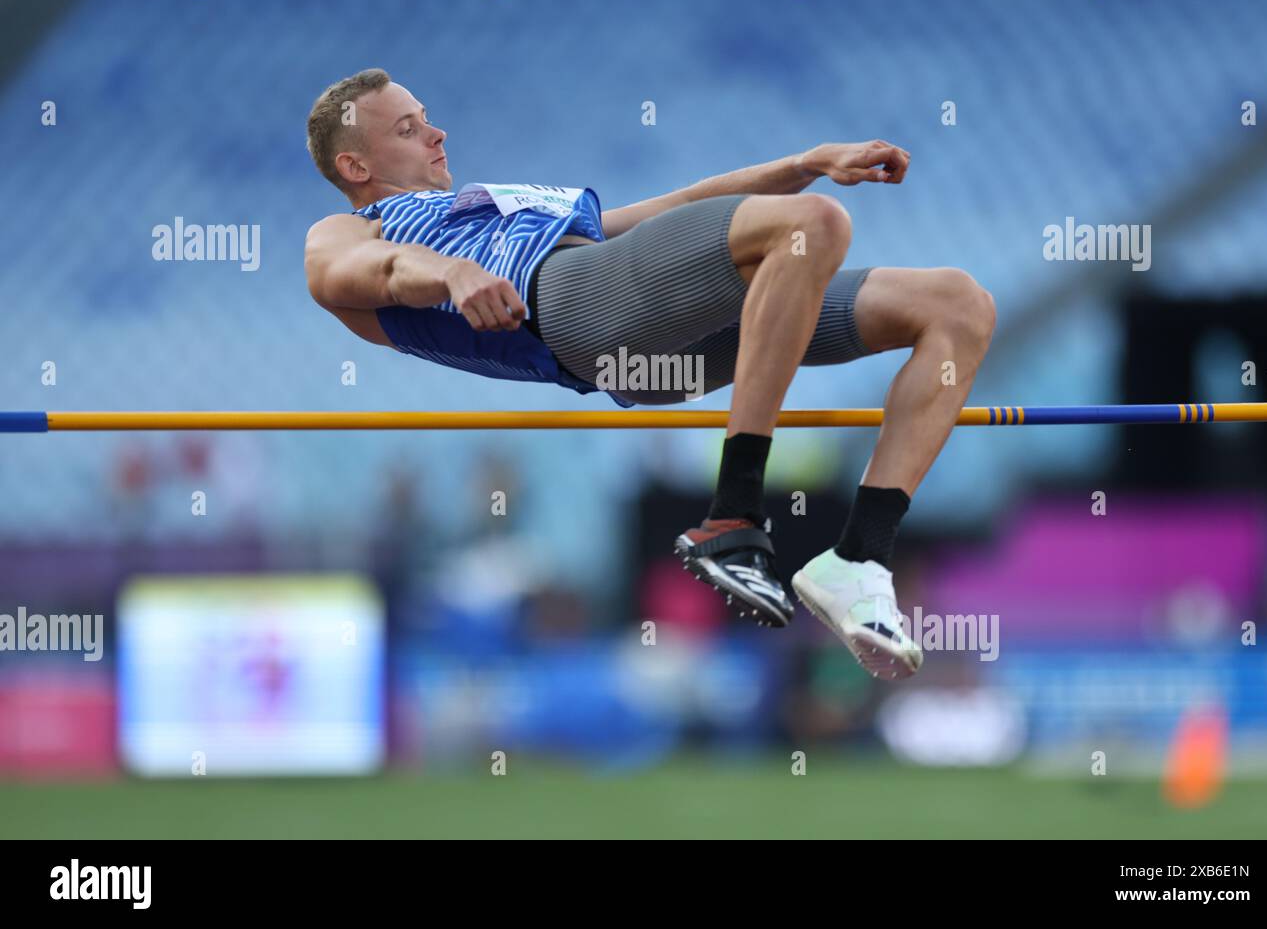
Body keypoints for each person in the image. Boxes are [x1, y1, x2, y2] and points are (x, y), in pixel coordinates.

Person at [304, 68, 996, 679]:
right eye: (408, 126)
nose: (437, 132)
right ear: (356, 165)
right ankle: (734, 514)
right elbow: (375, 273)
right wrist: (453, 272)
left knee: (955, 304)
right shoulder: (353, 229)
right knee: (808, 226)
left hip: (642, 318)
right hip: (580, 311)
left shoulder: (494, 205)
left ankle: (859, 556)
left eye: (428, 117)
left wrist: (804, 162)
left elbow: (669, 212)